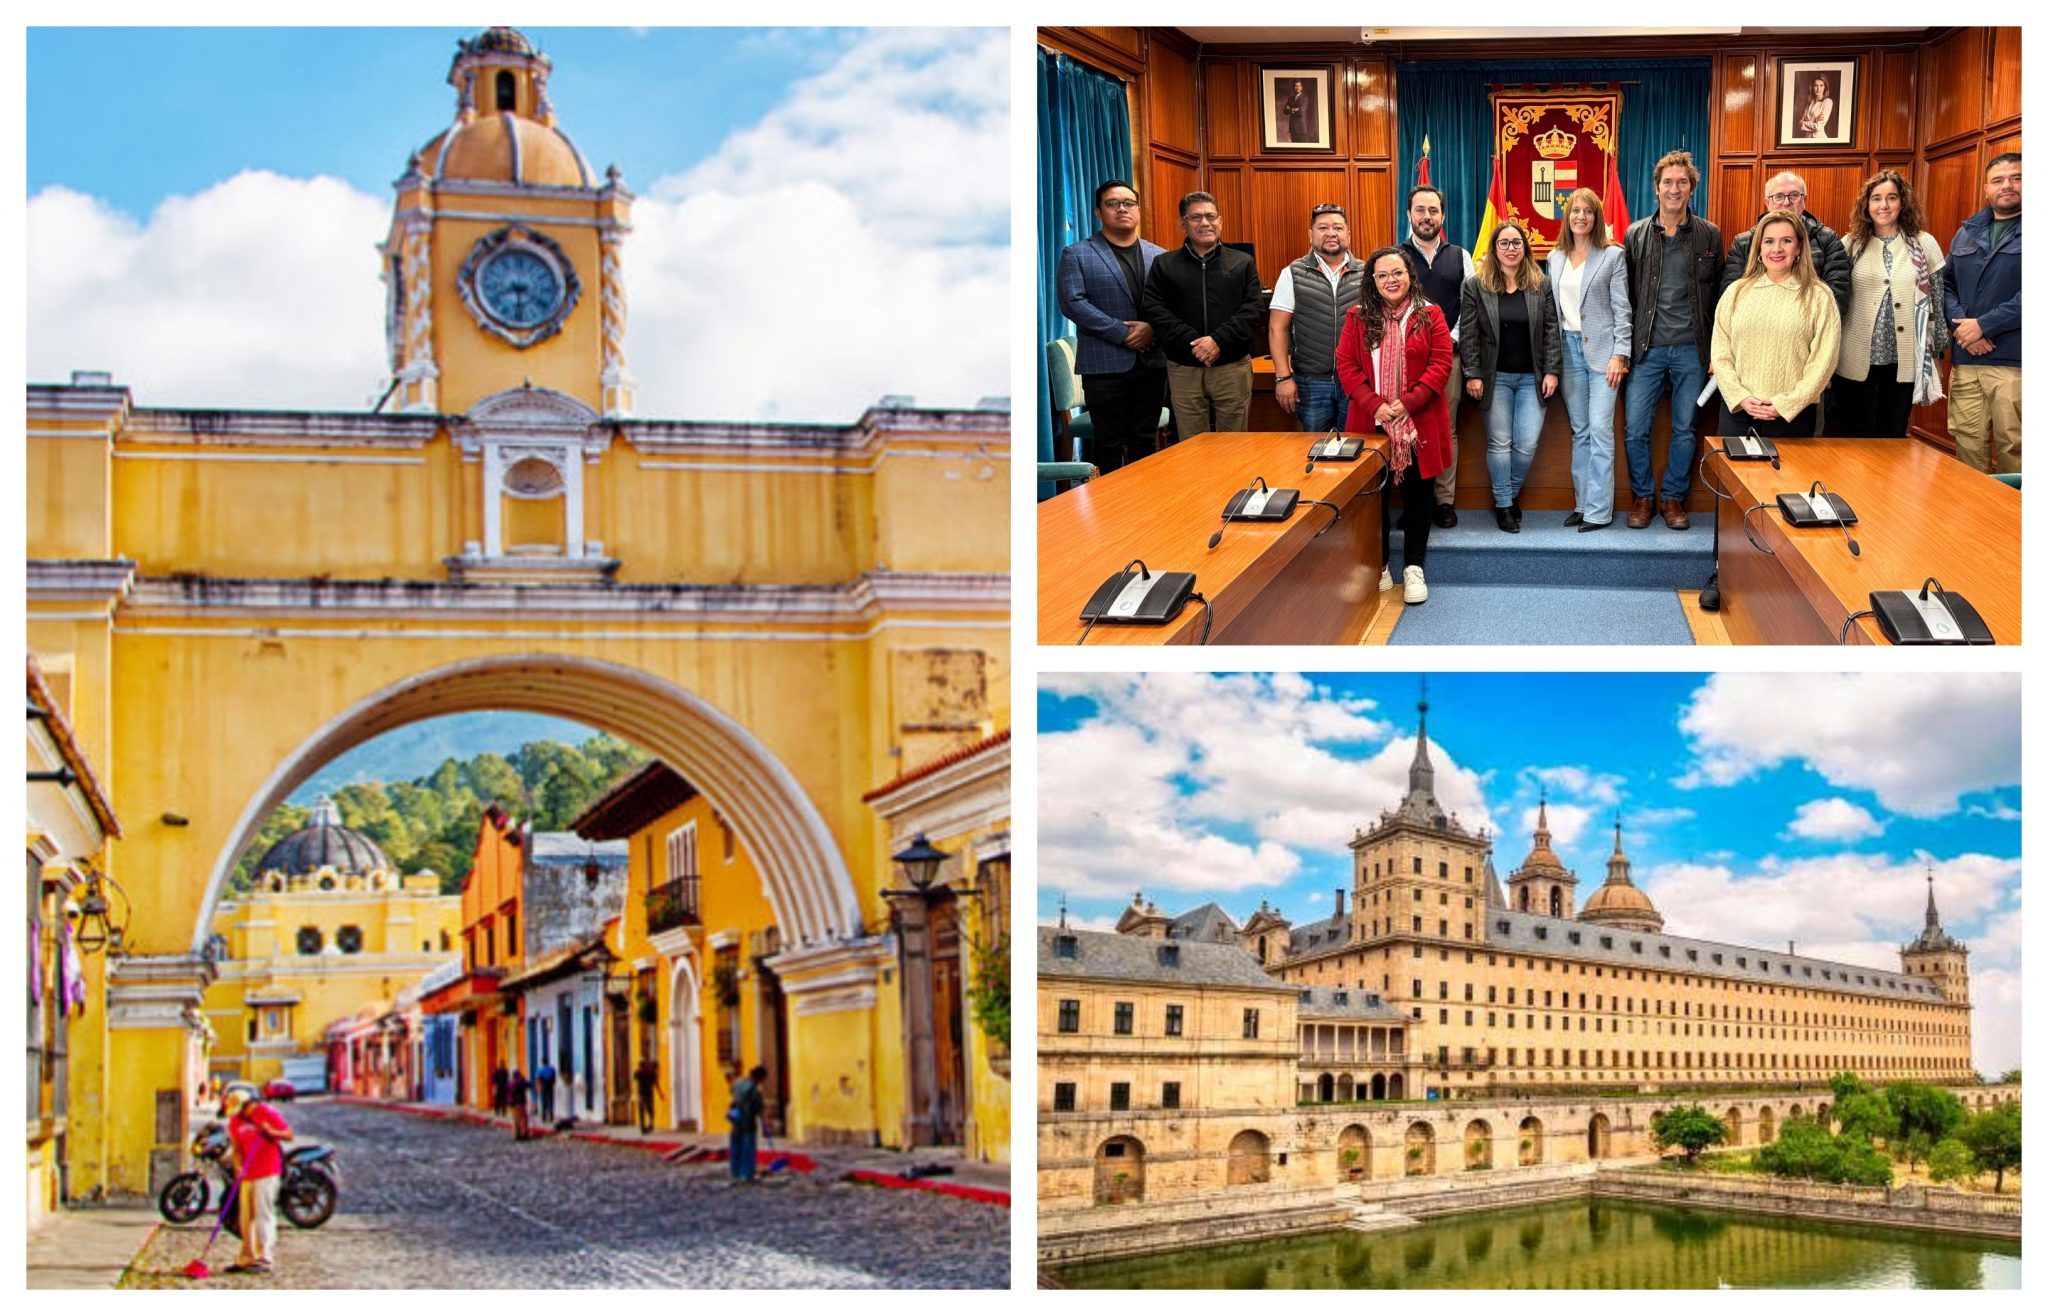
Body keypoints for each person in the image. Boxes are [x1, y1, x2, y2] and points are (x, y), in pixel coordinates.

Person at [1337, 246, 1454, 606]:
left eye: (1397, 273)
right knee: (1375, 502)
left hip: (1418, 424)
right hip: (1371, 425)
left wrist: (1409, 403)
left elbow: (1441, 362)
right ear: (1372, 280)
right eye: (1383, 275)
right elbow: (1346, 365)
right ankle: (1381, 565)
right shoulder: (1357, 317)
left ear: (1410, 276)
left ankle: (1414, 567)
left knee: (1419, 498)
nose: (1391, 280)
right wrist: (1377, 405)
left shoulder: (1430, 314)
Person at [1622, 149, 1723, 530]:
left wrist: (1716, 350)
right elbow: (1626, 294)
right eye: (1668, 182)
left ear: (1692, 188)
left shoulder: (1708, 234)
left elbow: (1719, 296)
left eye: (1682, 182)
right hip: (1646, 347)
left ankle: (1674, 499)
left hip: (1692, 349)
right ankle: (1644, 496)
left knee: (1685, 427)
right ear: (1656, 188)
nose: (1674, 188)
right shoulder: (1636, 234)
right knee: (1635, 427)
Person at [1055, 180, 1168, 474]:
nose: (1122, 209)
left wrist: (1152, 328)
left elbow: (1173, 303)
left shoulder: (1159, 255)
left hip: (1152, 362)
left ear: (1138, 210)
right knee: (1107, 444)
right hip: (1104, 365)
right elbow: (1073, 303)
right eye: (1112, 203)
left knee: (1145, 442)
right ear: (1098, 211)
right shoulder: (1077, 253)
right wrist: (1124, 332)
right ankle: (1108, 515)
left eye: (1129, 203)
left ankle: (1147, 509)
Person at [1460, 220, 1561, 532]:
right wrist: (1473, 374)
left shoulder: (1540, 284)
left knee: (1527, 444)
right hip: (1495, 378)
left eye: (1516, 243)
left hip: (1532, 377)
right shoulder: (1476, 286)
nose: (1510, 248)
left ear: (1525, 248)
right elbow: (1468, 335)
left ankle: (1507, 494)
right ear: (1494, 249)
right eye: (1503, 243)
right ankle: (1505, 504)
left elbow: (1550, 331)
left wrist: (1553, 371)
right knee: (1500, 443)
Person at [1833, 169, 1947, 438]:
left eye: (1891, 198)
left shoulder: (1924, 243)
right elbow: (1834, 298)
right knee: (1856, 433)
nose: (1883, 205)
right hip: (1854, 355)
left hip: (1903, 357)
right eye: (1876, 198)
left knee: (1893, 433)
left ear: (1903, 202)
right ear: (1866, 205)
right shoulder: (1849, 245)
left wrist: (1938, 348)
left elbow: (1937, 300)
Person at [1142, 191, 1264, 442]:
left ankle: (1232, 484)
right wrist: (1195, 341)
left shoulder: (1243, 262)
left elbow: (1252, 309)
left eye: (1211, 216)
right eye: (1196, 217)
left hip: (1231, 366)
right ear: (1183, 224)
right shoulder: (1164, 264)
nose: (1205, 223)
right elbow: (1155, 309)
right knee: (1191, 444)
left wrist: (1218, 341)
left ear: (1220, 221)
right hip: (1184, 366)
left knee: (1234, 443)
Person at [1711, 211, 1843, 441]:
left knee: (1787, 478)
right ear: (1759, 248)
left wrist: (1787, 403)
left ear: (1799, 248)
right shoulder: (1736, 292)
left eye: (1787, 241)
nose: (1777, 249)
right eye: (1769, 241)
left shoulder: (1820, 296)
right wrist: (1740, 396)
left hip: (1792, 416)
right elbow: (1720, 354)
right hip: (1739, 412)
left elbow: (1824, 361)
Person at [1546, 187, 1632, 531]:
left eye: (1588, 211)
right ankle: (1582, 504)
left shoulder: (1611, 256)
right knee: (1580, 431)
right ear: (1567, 217)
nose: (1581, 216)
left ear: (1596, 217)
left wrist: (1620, 354)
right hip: (1567, 351)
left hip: (1602, 355)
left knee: (1599, 430)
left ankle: (1599, 511)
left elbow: (1622, 309)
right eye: (1575, 210)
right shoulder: (1555, 258)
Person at [1401, 185, 1477, 526]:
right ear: (1409, 215)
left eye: (1433, 210)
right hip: (1404, 361)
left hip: (1449, 359)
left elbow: (1470, 306)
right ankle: (1415, 503)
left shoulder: (1460, 256)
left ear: (1443, 216)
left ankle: (1443, 502)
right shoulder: (1395, 257)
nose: (1426, 216)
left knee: (1445, 430)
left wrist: (1448, 341)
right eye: (1420, 210)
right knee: (1407, 429)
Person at [1946, 152, 2021, 474]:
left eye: (2016, 178)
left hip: (2014, 361)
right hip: (1967, 359)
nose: (2008, 186)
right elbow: (1944, 284)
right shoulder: (1967, 232)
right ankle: (1973, 521)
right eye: (1998, 180)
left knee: (2015, 446)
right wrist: (1963, 328)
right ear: (1986, 188)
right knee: (1967, 443)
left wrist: (1985, 326)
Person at [1269, 203, 1367, 434]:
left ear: (1348, 235)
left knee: (1356, 448)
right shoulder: (1292, 273)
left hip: (1356, 381)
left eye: (1338, 228)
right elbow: (1277, 329)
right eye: (1323, 227)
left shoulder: (1367, 273)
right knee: (1315, 451)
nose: (1331, 233)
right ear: (1311, 235)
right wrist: (1283, 378)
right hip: (1311, 383)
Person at [1721, 171, 1851, 317]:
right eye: (1779, 196)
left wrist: (1792, 322)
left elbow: (1837, 300)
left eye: (1794, 195)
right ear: (1767, 203)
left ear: (1804, 199)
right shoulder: (1744, 242)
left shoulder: (1828, 240)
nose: (1786, 202)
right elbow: (1730, 297)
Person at [222, 1082, 292, 1274]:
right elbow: (236, 1148)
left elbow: (288, 1134)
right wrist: (238, 1167)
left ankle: (264, 1258)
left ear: (248, 1104)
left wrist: (271, 1132)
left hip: (267, 1171)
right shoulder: (235, 1121)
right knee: (246, 1218)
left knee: (263, 1215)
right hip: (248, 1173)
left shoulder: (267, 1113)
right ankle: (246, 1257)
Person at [727, 1064, 769, 1184]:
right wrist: (764, 1123)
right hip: (748, 1122)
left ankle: (735, 1171)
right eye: (763, 1079)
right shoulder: (754, 1090)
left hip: (736, 1119)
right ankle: (746, 1173)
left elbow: (731, 1091)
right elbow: (758, 1108)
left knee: (736, 1147)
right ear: (759, 1078)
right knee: (748, 1148)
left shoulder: (738, 1082)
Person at [633, 1057, 663, 1136]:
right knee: (646, 1110)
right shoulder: (642, 1073)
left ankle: (648, 1126)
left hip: (645, 1094)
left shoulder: (646, 1073)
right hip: (645, 1094)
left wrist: (660, 1093)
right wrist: (660, 1093)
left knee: (647, 1110)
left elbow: (655, 1082)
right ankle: (645, 1126)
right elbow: (656, 1083)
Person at [508, 1068, 532, 1140]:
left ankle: (517, 1134)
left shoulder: (511, 1083)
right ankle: (523, 1133)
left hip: (513, 1104)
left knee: (515, 1119)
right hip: (521, 1102)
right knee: (523, 1118)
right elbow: (529, 1085)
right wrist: (523, 1079)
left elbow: (508, 1090)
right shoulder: (521, 1082)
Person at [534, 1058, 557, 1122]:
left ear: (542, 1062)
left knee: (544, 1101)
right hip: (550, 1086)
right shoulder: (552, 1069)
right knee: (550, 1101)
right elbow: (554, 1078)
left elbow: (537, 1079)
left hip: (543, 1085)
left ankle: (544, 1117)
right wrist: (553, 1084)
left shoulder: (540, 1070)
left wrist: (537, 1087)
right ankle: (551, 1116)